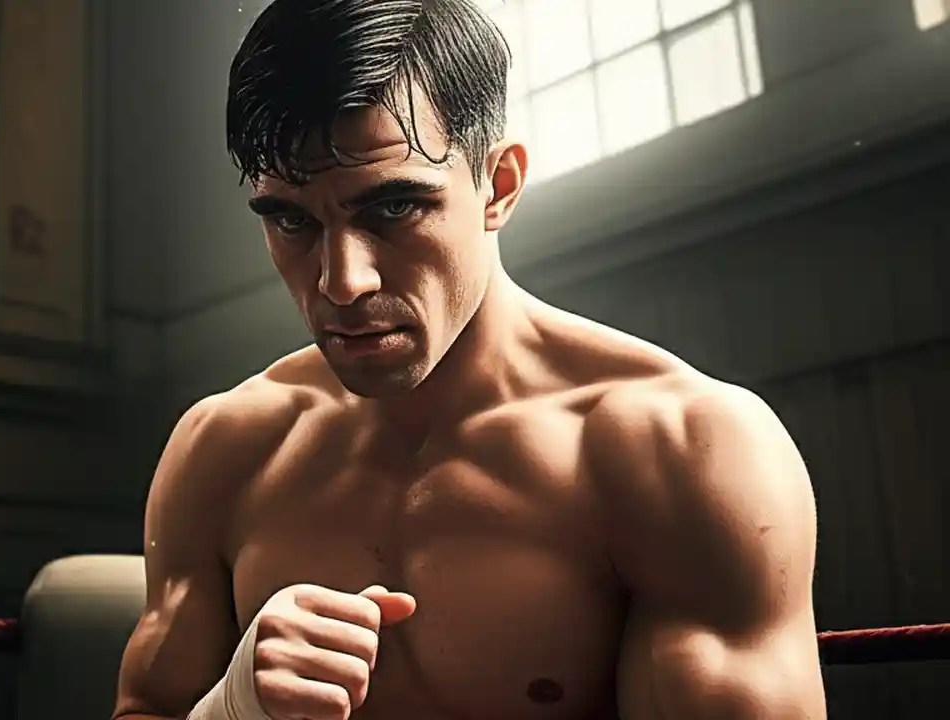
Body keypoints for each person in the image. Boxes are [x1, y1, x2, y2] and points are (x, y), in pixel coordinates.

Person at [114, 0, 827, 718]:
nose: (342, 282)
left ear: (501, 185)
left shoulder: (680, 449)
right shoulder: (225, 450)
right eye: (292, 220)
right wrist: (231, 709)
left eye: (392, 209)